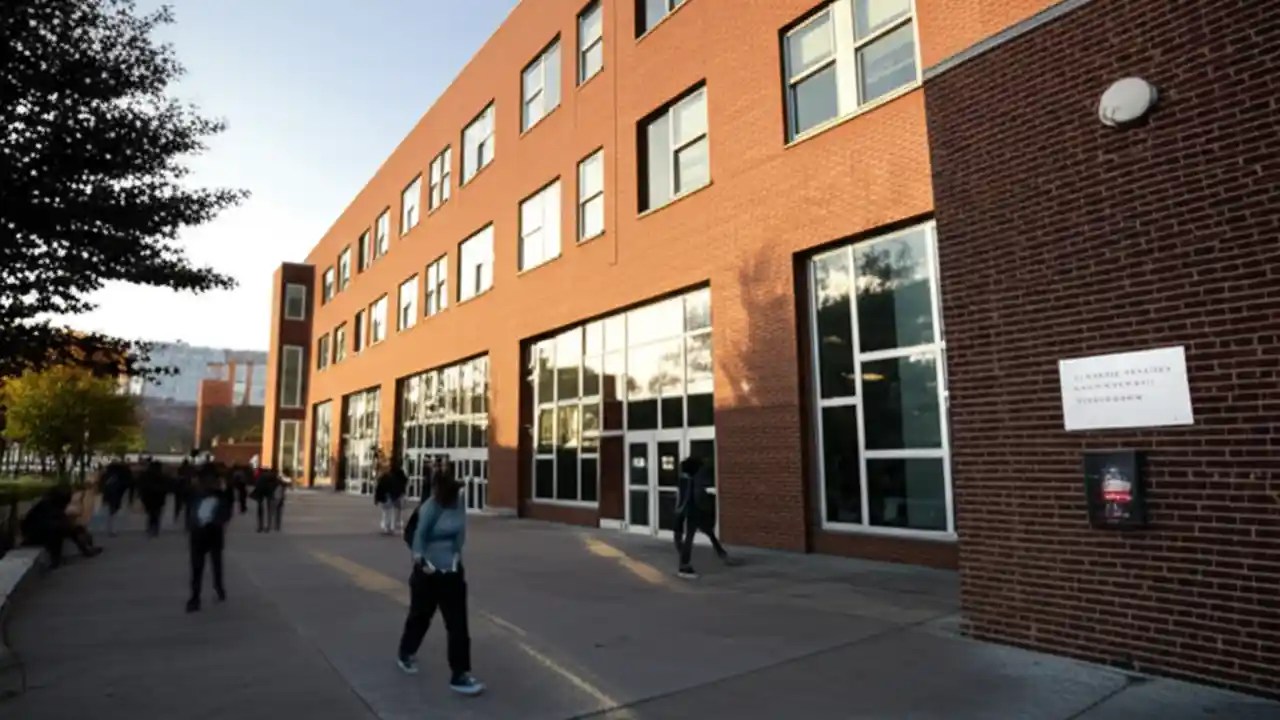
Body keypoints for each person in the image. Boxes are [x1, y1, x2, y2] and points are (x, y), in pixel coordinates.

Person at [396, 461, 484, 696]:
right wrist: (422, 562)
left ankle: (460, 674)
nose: (455, 499)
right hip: (427, 573)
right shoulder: (431, 507)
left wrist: (456, 558)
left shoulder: (458, 504)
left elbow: (460, 534)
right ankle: (406, 652)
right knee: (421, 616)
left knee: (458, 625)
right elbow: (419, 537)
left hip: (452, 572)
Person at [673, 456, 732, 579]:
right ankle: (684, 566)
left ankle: (721, 553)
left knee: (706, 532)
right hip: (692, 512)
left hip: (684, 511)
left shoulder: (682, 479)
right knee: (691, 537)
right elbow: (694, 496)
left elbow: (681, 496)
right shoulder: (691, 480)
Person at [186, 464, 233, 612]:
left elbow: (226, 513)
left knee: (205, 566)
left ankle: (212, 590)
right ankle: (202, 594)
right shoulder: (196, 493)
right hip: (204, 533)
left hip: (207, 533)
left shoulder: (220, 494)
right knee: (204, 566)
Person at [21, 487, 103, 567]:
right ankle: (57, 558)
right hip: (35, 535)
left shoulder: (51, 506)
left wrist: (79, 529)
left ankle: (86, 549)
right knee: (59, 529)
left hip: (42, 532)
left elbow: (63, 521)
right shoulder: (47, 507)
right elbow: (53, 524)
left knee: (68, 528)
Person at [97, 459, 133, 536]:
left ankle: (108, 527)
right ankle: (111, 528)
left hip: (108, 494)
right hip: (117, 495)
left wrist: (100, 491)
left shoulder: (107, 474)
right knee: (113, 511)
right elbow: (127, 484)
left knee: (108, 511)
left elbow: (101, 484)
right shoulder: (122, 474)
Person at [138, 460, 169, 537]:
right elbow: (166, 487)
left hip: (148, 497)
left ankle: (150, 527)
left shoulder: (145, 475)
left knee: (151, 513)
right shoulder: (162, 476)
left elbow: (141, 486)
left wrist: (141, 496)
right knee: (157, 514)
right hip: (159, 498)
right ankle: (155, 528)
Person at [252, 467, 281, 533]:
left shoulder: (261, 477)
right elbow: (277, 485)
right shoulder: (273, 477)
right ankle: (267, 526)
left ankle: (260, 526)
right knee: (269, 511)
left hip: (261, 493)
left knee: (260, 510)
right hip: (269, 493)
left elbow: (257, 485)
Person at [173, 457, 195, 527]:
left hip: (181, 490)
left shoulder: (181, 469)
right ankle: (187, 520)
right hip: (188, 490)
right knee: (188, 506)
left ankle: (176, 515)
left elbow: (178, 478)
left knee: (178, 505)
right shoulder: (190, 470)